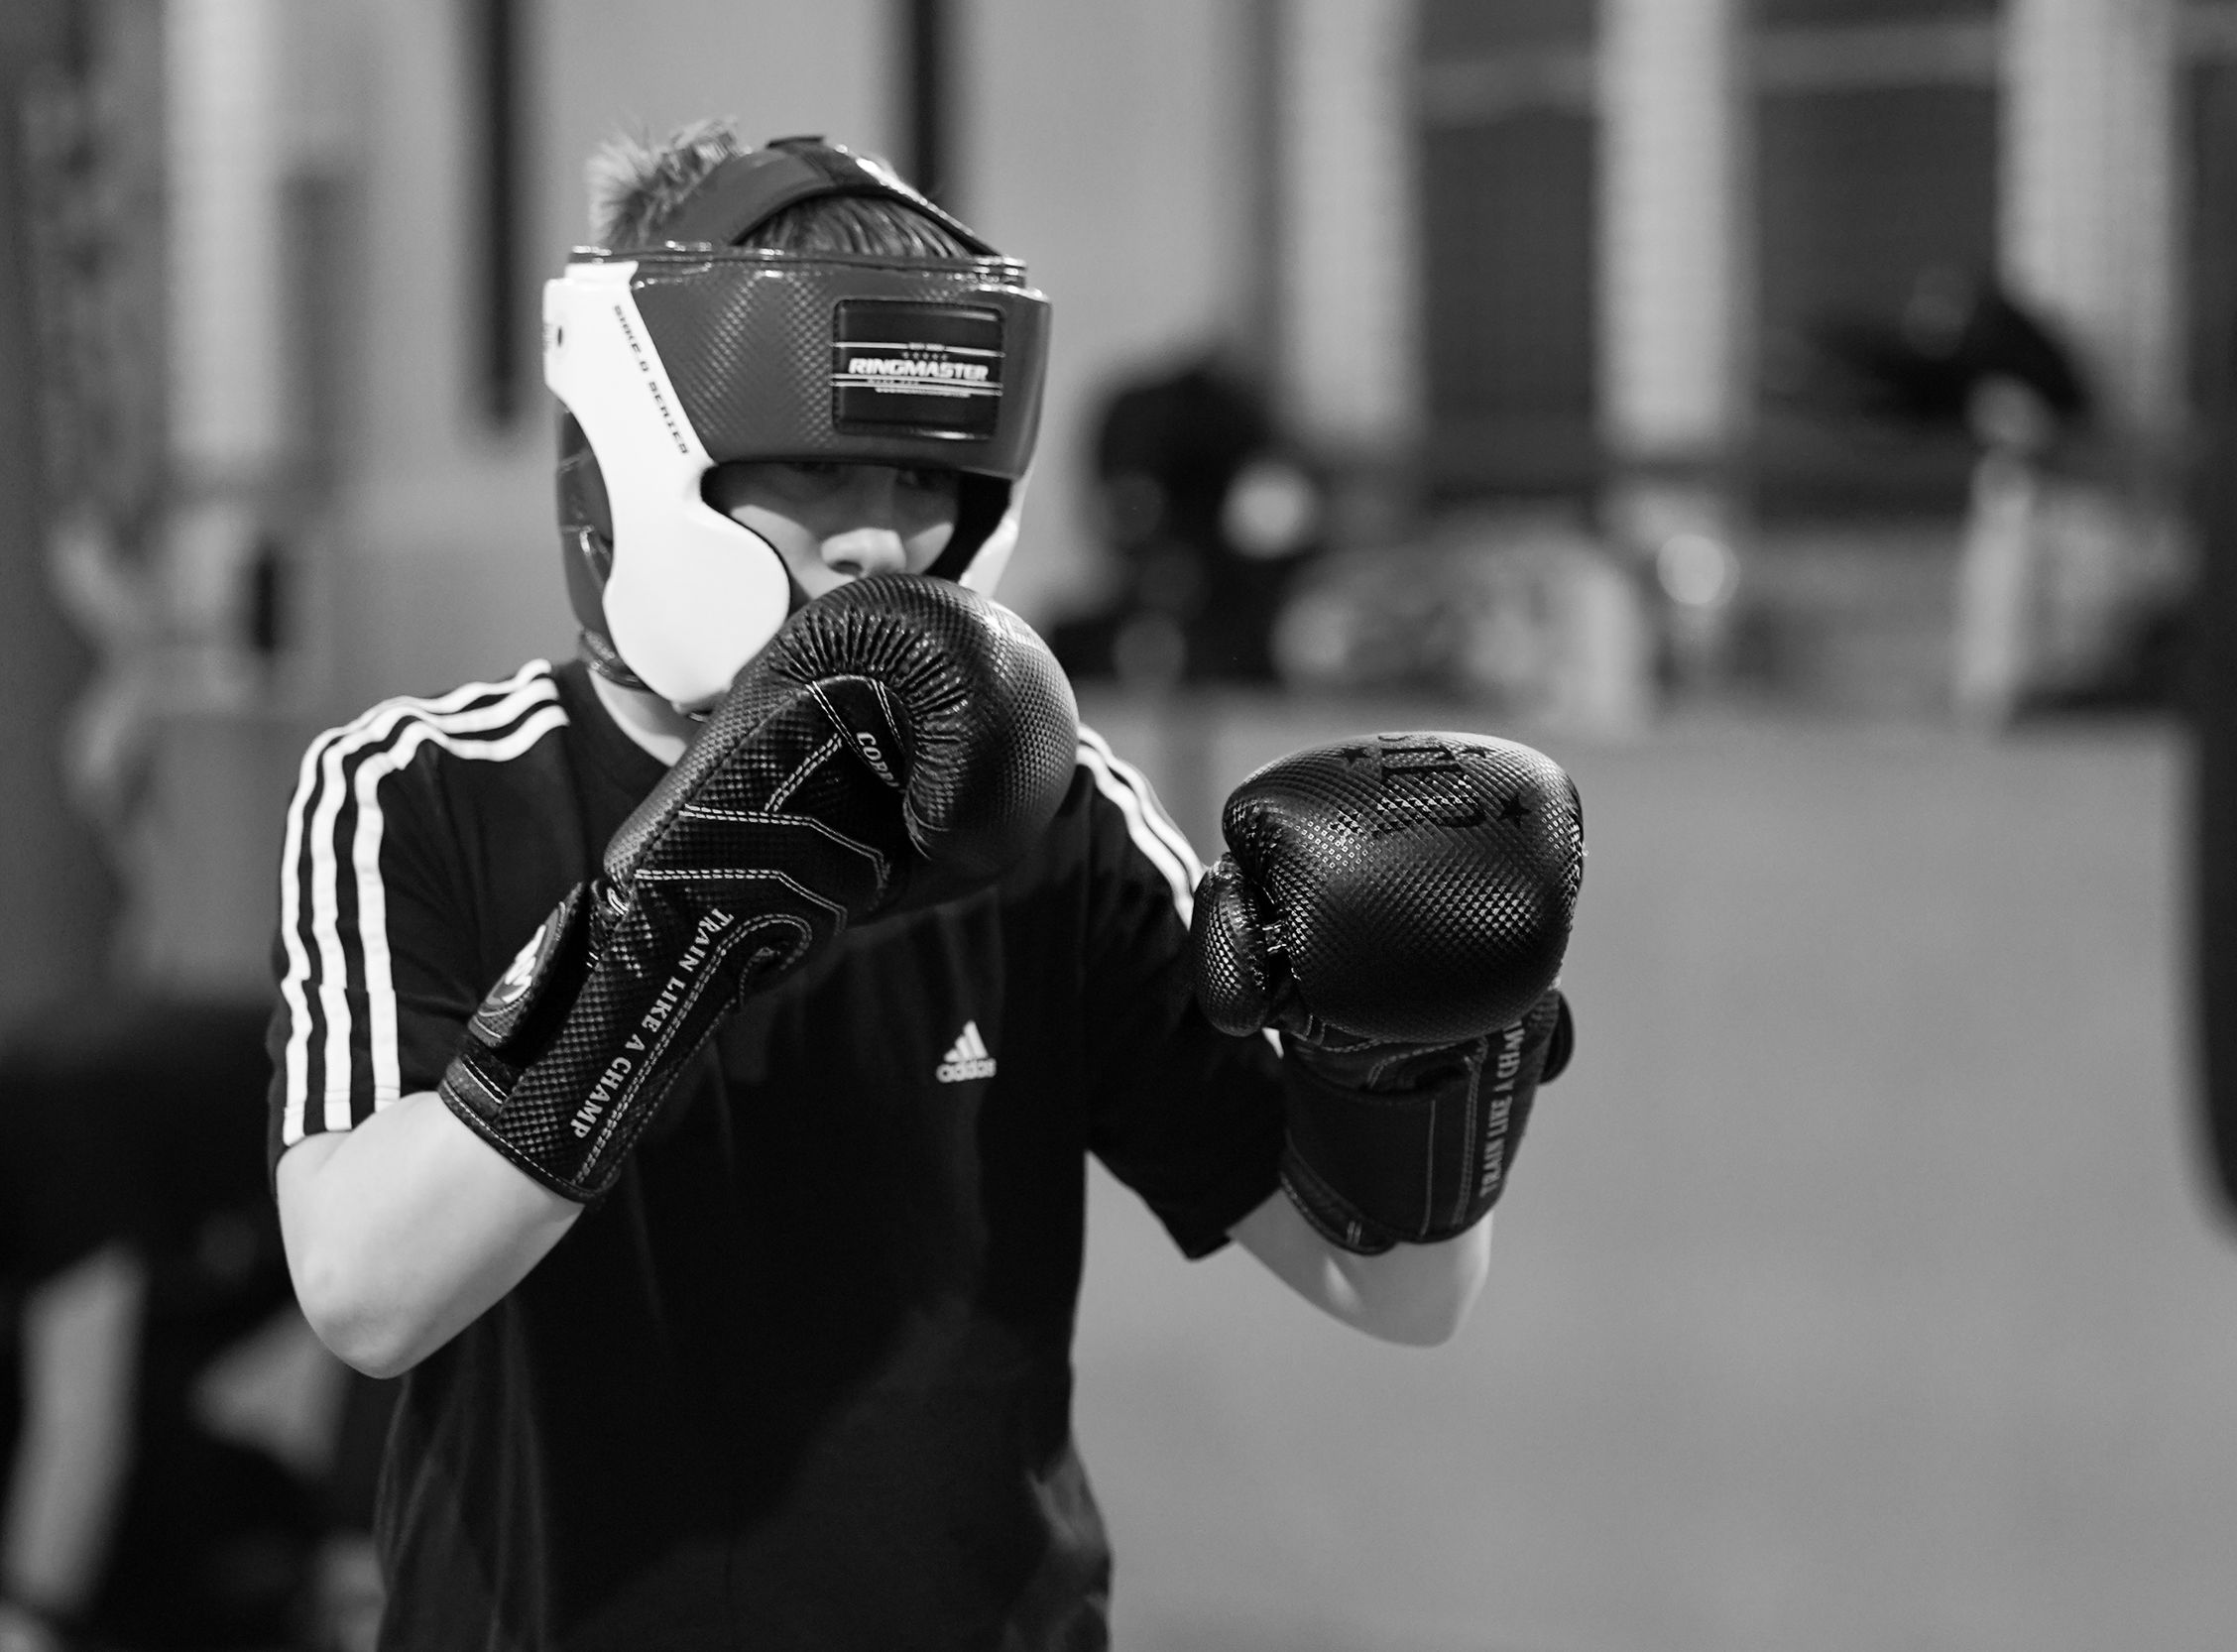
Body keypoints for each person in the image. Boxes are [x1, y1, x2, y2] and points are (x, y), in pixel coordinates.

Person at [267, 123, 1580, 1649]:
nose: (884, 537)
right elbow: (365, 1292)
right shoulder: (421, 784)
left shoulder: (1051, 815)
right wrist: (694, 893)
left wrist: (1418, 1047)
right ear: (640, 455)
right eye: (820, 469)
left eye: (918, 470)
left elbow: (1400, 1290)